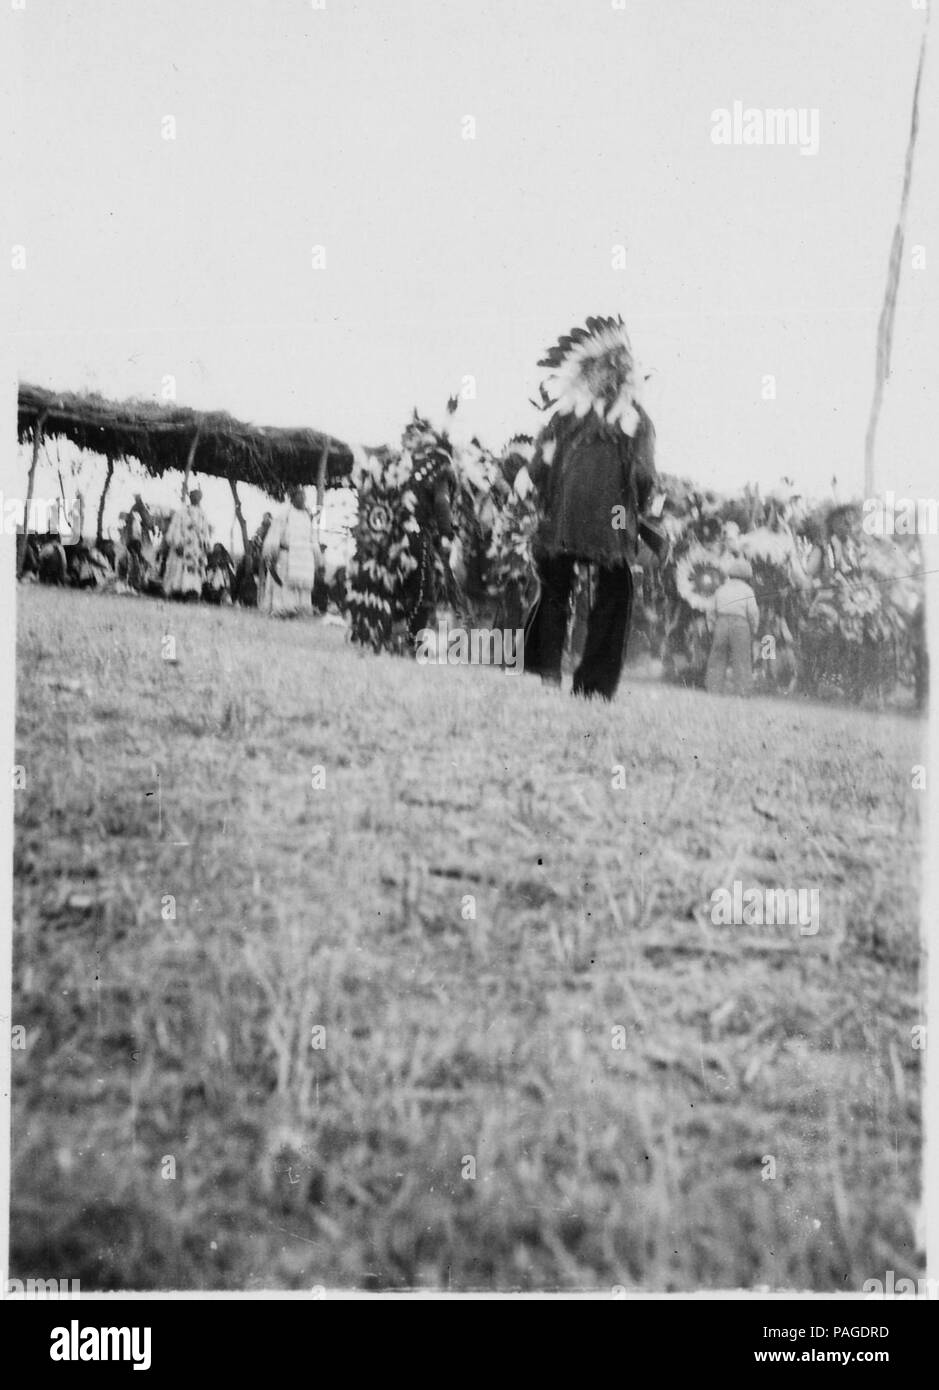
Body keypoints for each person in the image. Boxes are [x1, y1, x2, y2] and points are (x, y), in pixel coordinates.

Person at [523, 315, 658, 700]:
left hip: (564, 520)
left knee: (554, 589)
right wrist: (637, 511)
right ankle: (592, 685)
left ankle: (547, 670)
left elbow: (538, 471)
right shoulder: (635, 420)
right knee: (614, 592)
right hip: (611, 524)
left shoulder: (564, 418)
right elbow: (645, 478)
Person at [705, 557, 760, 696]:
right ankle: (742, 691)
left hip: (721, 622)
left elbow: (711, 609)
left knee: (717, 656)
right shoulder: (748, 590)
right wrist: (754, 628)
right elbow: (753, 612)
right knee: (741, 658)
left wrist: (711, 626)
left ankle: (714, 689)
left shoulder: (721, 588)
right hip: (740, 624)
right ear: (748, 576)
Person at [265, 487, 321, 617]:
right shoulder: (284, 514)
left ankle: (299, 610)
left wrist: (317, 556)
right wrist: (272, 554)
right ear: (293, 498)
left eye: (304, 496)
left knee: (301, 585)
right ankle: (280, 609)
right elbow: (274, 536)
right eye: (299, 496)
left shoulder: (308, 516)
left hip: (303, 558)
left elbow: (313, 538)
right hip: (286, 555)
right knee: (283, 582)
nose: (303, 499)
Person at [162, 489, 210, 601]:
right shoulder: (182, 512)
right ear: (190, 497)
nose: (196, 498)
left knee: (193, 572)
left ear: (200, 499)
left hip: (196, 549)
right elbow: (174, 529)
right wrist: (177, 543)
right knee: (178, 569)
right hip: (182, 546)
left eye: (198, 496)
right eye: (193, 496)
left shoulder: (203, 515)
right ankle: (175, 592)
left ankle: (191, 593)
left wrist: (205, 545)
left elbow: (205, 532)